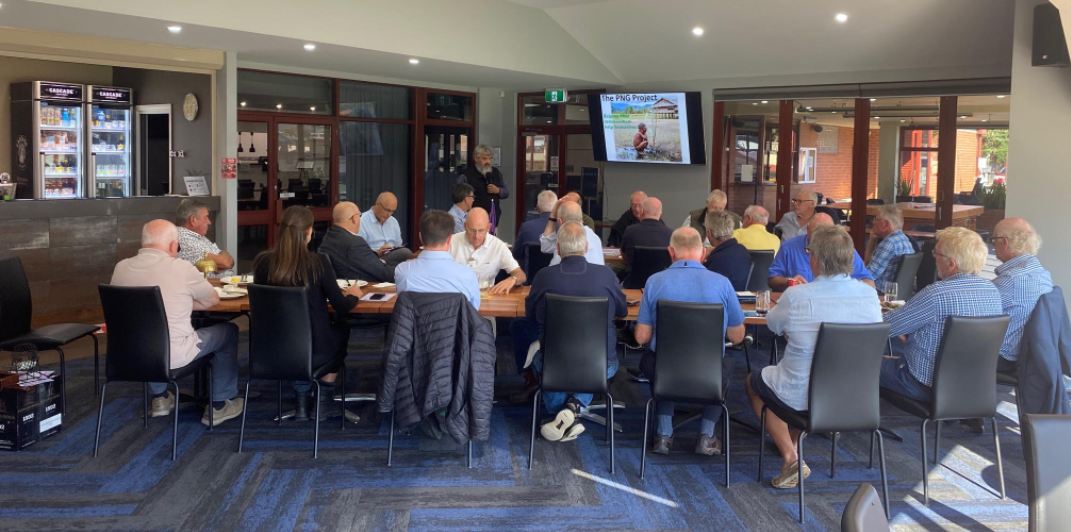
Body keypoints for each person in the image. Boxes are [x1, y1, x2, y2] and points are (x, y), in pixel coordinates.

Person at [745, 225, 883, 488]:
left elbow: (773, 326)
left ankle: (789, 455)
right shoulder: (869, 296)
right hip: (853, 396)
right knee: (805, 387)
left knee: (754, 383)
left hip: (800, 394)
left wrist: (792, 329)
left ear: (816, 259)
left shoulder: (797, 295)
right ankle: (796, 440)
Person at [110, 219, 243, 426]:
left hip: (129, 354)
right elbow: (212, 300)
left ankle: (160, 398)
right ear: (173, 246)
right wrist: (180, 302)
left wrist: (173, 303)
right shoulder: (181, 268)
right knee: (229, 331)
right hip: (175, 355)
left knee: (148, 331)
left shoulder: (120, 268)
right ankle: (219, 405)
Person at [636, 227, 745, 455]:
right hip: (708, 372)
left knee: (662, 358)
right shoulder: (723, 283)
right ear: (703, 253)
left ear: (670, 252)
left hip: (664, 371)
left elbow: (641, 337)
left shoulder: (654, 282)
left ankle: (664, 435)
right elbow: (736, 336)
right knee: (727, 362)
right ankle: (706, 435)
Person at [254, 206, 364, 420]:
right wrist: (353, 294)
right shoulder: (317, 262)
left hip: (273, 350)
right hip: (316, 351)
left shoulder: (262, 262)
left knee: (296, 337)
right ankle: (323, 401)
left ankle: (302, 403)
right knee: (341, 329)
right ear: (309, 231)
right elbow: (341, 306)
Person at [522, 222, 627, 443]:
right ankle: (573, 409)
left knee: (544, 363)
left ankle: (560, 416)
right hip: (600, 365)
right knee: (592, 365)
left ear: (558, 249)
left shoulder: (543, 276)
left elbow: (529, 312)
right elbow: (623, 311)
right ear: (587, 247)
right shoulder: (606, 275)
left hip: (553, 363)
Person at [881, 227, 1002, 401]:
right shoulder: (993, 292)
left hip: (924, 385)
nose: (934, 257)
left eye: (936, 253)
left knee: (861, 364)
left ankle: (855, 423)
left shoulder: (936, 294)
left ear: (951, 263)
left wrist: (885, 309)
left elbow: (886, 326)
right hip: (971, 386)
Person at [991, 217, 1053, 373]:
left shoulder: (1012, 279)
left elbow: (974, 314)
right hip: (1031, 354)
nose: (992, 243)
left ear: (1004, 242)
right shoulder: (1041, 272)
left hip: (1005, 357)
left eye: (993, 239)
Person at [396, 210, 481, 310]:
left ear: (420, 237)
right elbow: (474, 309)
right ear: (450, 239)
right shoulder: (467, 275)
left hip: (416, 326)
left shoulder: (402, 272)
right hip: (454, 326)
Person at [768, 213, 875, 291]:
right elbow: (771, 280)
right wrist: (789, 281)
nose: (823, 237)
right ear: (808, 229)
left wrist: (849, 285)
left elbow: (869, 283)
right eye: (817, 232)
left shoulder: (844, 248)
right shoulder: (789, 247)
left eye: (828, 233)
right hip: (801, 302)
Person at [448, 207, 526, 294]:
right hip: (455, 296)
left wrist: (513, 279)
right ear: (465, 226)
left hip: (485, 297)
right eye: (472, 230)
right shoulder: (451, 242)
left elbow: (521, 275)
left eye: (481, 231)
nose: (476, 236)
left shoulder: (498, 246)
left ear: (488, 227)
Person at [318, 201, 395, 283]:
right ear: (354, 219)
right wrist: (405, 269)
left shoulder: (329, 236)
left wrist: (377, 253)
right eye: (359, 215)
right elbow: (384, 274)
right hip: (365, 288)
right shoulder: (354, 243)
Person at [621, 197, 674, 287]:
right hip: (660, 286)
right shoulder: (671, 234)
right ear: (660, 213)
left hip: (632, 285)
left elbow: (623, 254)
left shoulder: (630, 231)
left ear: (642, 212)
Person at [175, 198, 235, 278]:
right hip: (216, 286)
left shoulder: (197, 236)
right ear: (193, 220)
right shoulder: (186, 241)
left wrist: (223, 255)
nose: (209, 222)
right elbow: (226, 263)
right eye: (205, 217)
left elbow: (230, 262)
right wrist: (224, 254)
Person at [456, 144, 509, 233]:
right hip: (474, 222)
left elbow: (506, 192)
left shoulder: (496, 173)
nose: (488, 161)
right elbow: (458, 196)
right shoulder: (467, 175)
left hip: (493, 220)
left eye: (489, 158)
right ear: (476, 159)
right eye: (484, 159)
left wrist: (498, 190)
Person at [540, 197, 605, 267]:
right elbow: (545, 247)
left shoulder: (565, 237)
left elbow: (545, 248)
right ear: (581, 218)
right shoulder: (594, 237)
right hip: (595, 276)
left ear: (560, 221)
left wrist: (552, 216)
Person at [864, 205, 916, 290]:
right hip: (898, 295)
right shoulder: (905, 239)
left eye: (876, 219)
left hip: (881, 294)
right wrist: (872, 240)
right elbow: (868, 263)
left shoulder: (889, 243)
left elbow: (868, 276)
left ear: (886, 224)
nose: (873, 222)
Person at [357, 192, 414, 269]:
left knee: (408, 257)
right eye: (387, 210)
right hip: (372, 260)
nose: (389, 214)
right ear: (377, 203)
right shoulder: (362, 221)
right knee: (406, 253)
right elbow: (359, 253)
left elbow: (398, 246)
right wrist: (378, 253)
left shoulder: (393, 221)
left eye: (392, 211)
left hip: (391, 261)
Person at [703, 210, 751, 291]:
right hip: (741, 299)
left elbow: (704, 286)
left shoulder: (716, 259)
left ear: (709, 232)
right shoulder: (742, 250)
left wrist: (701, 259)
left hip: (722, 301)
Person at [513, 190, 557, 277]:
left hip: (530, 281)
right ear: (556, 208)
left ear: (538, 209)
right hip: (556, 280)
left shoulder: (526, 227)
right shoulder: (564, 229)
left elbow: (516, 254)